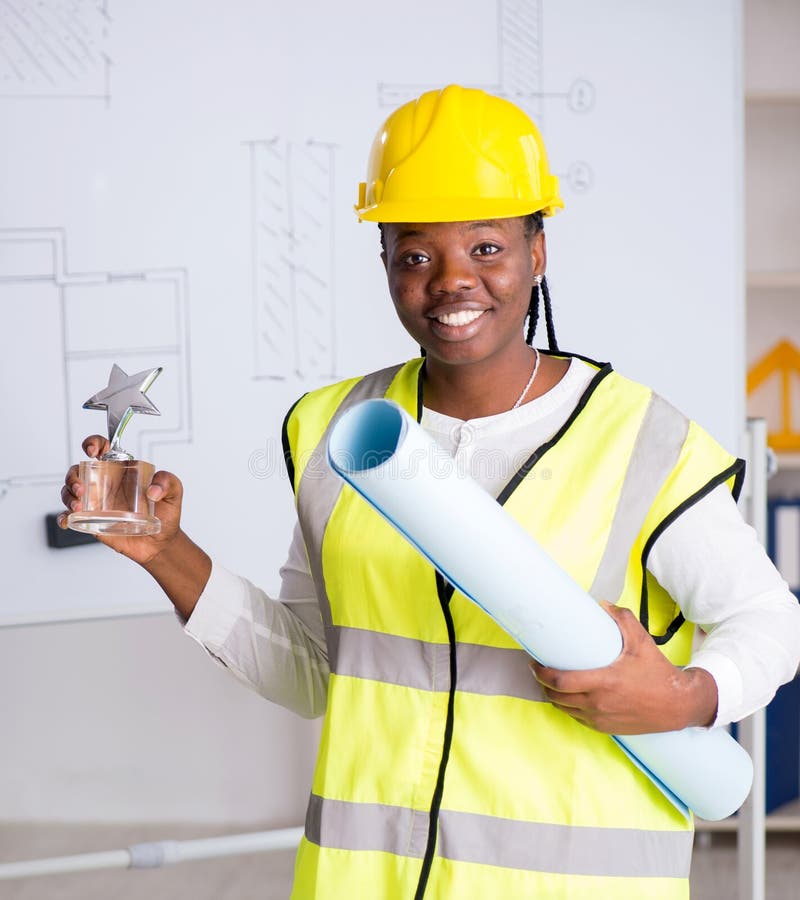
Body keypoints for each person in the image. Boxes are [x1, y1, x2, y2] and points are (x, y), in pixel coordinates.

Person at [60, 85, 800, 899]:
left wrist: (687, 696)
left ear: (536, 252)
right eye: (417, 254)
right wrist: (170, 553)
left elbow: (767, 622)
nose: (453, 282)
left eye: (487, 248)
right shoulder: (333, 428)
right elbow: (315, 671)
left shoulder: (641, 440)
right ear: (384, 261)